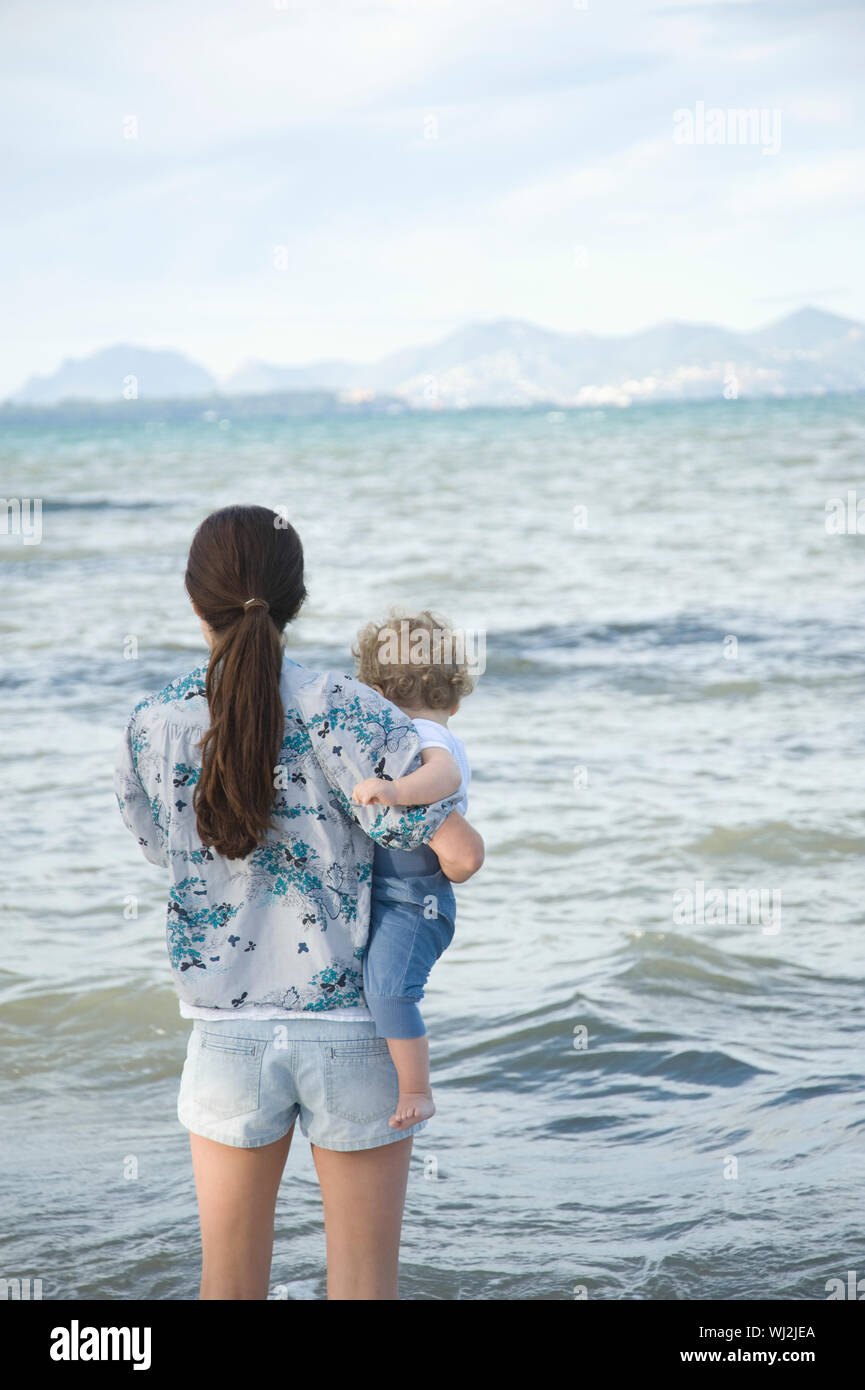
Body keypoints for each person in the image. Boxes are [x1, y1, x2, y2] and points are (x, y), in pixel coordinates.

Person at [113, 504, 484, 1300]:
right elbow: (447, 849)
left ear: (193, 599)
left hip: (226, 1034)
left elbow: (159, 850)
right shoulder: (348, 707)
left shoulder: (151, 722)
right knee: (362, 1289)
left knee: (229, 1289)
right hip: (355, 1029)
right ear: (297, 597)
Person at [351, 610, 475, 1131]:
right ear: (455, 693)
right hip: (404, 890)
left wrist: (397, 792)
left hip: (413, 896)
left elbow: (442, 775)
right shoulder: (426, 728)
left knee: (388, 991)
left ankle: (417, 1090)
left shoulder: (422, 733)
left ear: (378, 690)